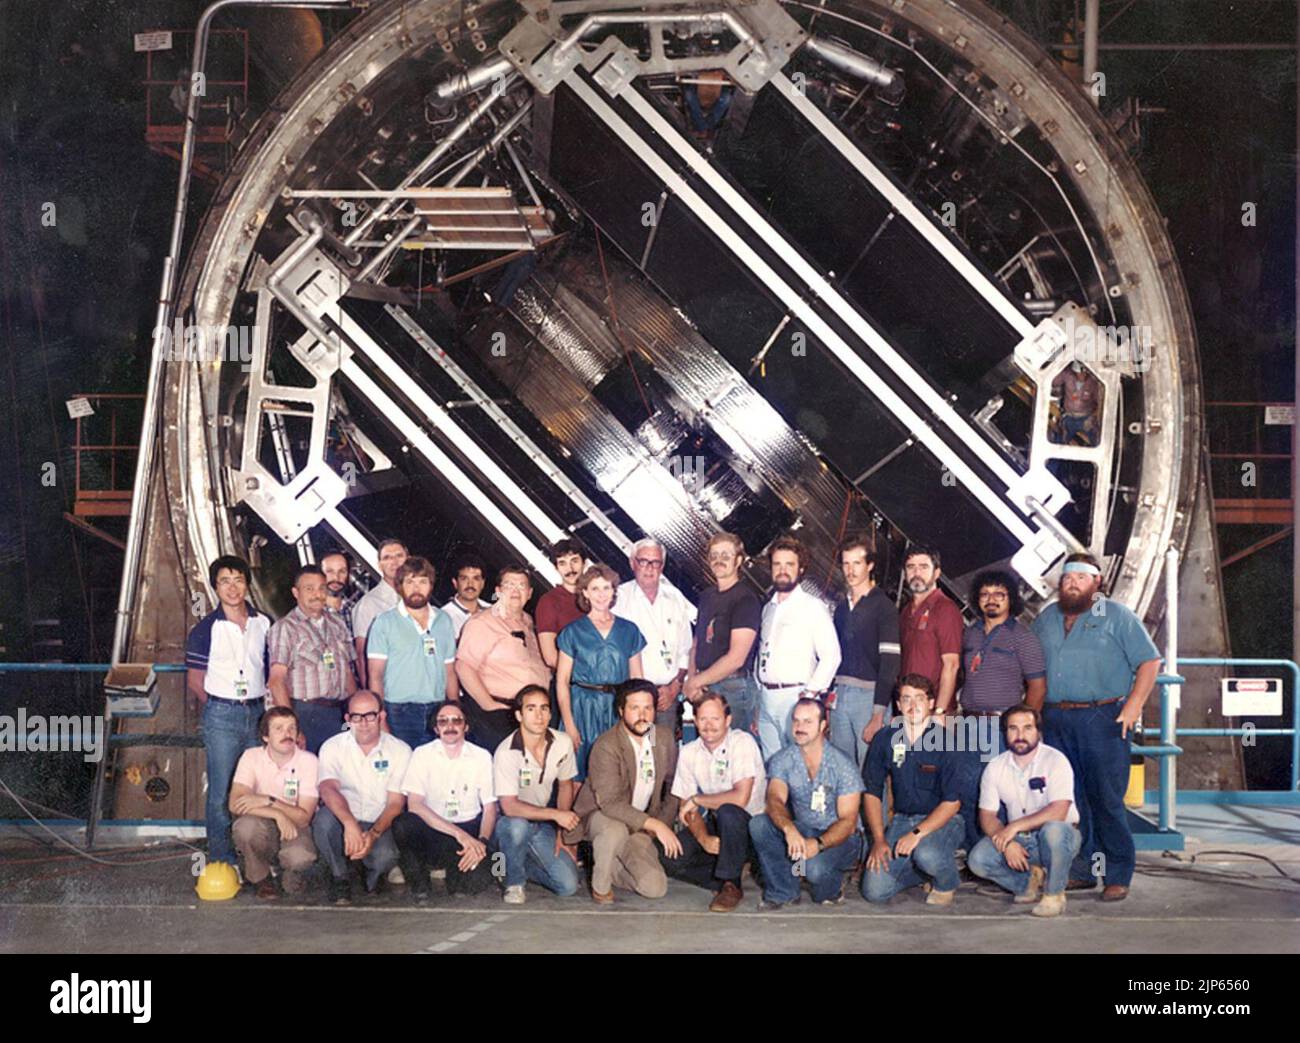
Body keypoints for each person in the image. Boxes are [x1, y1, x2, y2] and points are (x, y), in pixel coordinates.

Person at [1031, 553, 1160, 902]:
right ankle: (1085, 870)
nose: (1073, 583)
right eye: (1068, 577)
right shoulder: (1046, 620)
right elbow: (1031, 670)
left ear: (1096, 582)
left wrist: (1133, 706)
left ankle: (1117, 873)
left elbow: (1149, 661)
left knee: (1106, 799)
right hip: (1057, 719)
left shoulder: (1114, 616)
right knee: (1074, 801)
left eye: (1081, 577)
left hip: (1102, 719)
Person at [185, 555, 272, 869]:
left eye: (238, 580)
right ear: (215, 587)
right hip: (222, 715)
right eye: (224, 581)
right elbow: (196, 682)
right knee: (221, 792)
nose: (232, 588)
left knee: (258, 787)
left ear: (247, 584)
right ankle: (223, 860)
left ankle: (258, 860)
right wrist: (223, 708)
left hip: (258, 713)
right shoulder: (205, 629)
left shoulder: (264, 623)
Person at [565, 680, 680, 903]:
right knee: (614, 831)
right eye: (634, 708)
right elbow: (610, 803)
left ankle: (611, 864)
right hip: (601, 816)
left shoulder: (661, 737)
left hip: (641, 825)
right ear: (621, 711)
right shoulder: (607, 745)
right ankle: (600, 885)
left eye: (648, 708)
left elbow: (672, 785)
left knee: (655, 888)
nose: (642, 715)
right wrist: (653, 824)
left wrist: (658, 825)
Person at [967, 704, 1082, 918]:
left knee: (1054, 830)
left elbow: (1059, 811)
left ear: (1038, 731)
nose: (1020, 735)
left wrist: (1014, 827)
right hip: (1020, 840)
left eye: (1027, 728)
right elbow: (987, 815)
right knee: (978, 859)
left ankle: (1054, 895)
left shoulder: (1056, 760)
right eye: (1013, 729)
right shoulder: (995, 767)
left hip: (1059, 838)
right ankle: (1026, 882)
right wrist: (1008, 842)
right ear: (1005, 733)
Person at [862, 674, 966, 906]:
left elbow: (952, 803)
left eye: (919, 698)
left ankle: (947, 881)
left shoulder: (947, 741)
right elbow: (871, 791)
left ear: (931, 704)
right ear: (898, 706)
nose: (913, 705)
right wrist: (879, 839)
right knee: (875, 891)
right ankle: (923, 872)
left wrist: (917, 835)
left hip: (944, 821)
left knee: (926, 854)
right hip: (902, 820)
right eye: (906, 699)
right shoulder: (884, 738)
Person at [749, 697, 862, 909]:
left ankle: (832, 885)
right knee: (760, 825)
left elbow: (848, 822)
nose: (800, 727)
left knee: (814, 870)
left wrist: (818, 844)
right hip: (803, 829)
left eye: (808, 722)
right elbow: (774, 799)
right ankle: (783, 891)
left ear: (822, 725)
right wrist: (789, 828)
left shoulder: (842, 765)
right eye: (796, 721)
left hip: (840, 838)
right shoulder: (783, 759)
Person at [661, 690, 765, 912]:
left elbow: (740, 798)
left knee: (728, 811)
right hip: (718, 825)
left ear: (728, 720)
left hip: (752, 828)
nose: (709, 725)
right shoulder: (689, 752)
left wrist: (698, 799)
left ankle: (731, 885)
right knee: (668, 857)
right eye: (703, 719)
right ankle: (728, 872)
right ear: (695, 720)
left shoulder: (742, 742)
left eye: (715, 718)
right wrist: (703, 837)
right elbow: (686, 809)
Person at [313, 690, 412, 904]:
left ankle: (372, 874)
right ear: (347, 719)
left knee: (385, 856)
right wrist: (350, 824)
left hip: (379, 821)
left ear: (381, 716)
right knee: (323, 821)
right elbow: (328, 789)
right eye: (356, 717)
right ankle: (339, 877)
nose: (364, 723)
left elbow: (396, 804)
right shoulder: (332, 747)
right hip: (345, 817)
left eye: (370, 715)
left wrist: (373, 835)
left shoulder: (400, 750)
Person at [393, 701, 497, 899]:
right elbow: (414, 805)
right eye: (443, 721)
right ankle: (420, 885)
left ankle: (454, 871)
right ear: (435, 728)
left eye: (456, 721)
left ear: (466, 726)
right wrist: (459, 835)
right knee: (403, 823)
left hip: (469, 831)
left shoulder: (482, 756)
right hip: (434, 830)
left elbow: (490, 808)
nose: (450, 727)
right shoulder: (422, 754)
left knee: (472, 885)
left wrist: (480, 843)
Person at [555, 564, 646, 780]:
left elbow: (638, 680)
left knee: (618, 773)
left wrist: (638, 718)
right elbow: (562, 681)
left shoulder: (629, 630)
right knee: (577, 775)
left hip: (618, 709)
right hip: (583, 708)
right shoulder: (572, 632)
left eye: (606, 588)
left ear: (614, 591)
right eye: (594, 588)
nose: (601, 594)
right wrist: (569, 723)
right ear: (585, 592)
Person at [492, 684, 581, 903]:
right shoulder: (506, 752)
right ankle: (510, 880)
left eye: (544, 708)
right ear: (519, 715)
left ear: (551, 713)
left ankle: (517, 864)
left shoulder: (563, 742)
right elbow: (509, 807)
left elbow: (566, 786)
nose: (539, 715)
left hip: (541, 824)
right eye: (531, 709)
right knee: (516, 825)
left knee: (568, 886)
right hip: (507, 824)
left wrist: (562, 831)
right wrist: (555, 815)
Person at [754, 535, 840, 760]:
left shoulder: (813, 607)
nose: (782, 570)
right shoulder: (768, 609)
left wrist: (810, 695)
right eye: (777, 564)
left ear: (801, 568)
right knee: (773, 768)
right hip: (766, 700)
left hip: (795, 699)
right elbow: (762, 652)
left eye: (789, 564)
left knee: (800, 767)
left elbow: (832, 656)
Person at [366, 557, 458, 751]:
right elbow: (375, 676)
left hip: (438, 710)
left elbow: (450, 671)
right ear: (400, 586)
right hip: (399, 712)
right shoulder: (384, 622)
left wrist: (455, 710)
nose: (416, 588)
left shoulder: (444, 620)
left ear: (431, 585)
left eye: (423, 581)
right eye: (410, 581)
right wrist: (380, 717)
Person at [457, 564, 551, 752]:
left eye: (522, 586)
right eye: (509, 585)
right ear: (498, 591)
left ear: (530, 593)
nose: (516, 591)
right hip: (500, 715)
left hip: (533, 714)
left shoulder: (529, 621)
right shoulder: (482, 622)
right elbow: (464, 666)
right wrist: (488, 704)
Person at [228, 706, 319, 900]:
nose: (287, 734)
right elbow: (235, 804)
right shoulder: (251, 757)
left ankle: (289, 872)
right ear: (265, 736)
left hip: (295, 826)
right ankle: (262, 878)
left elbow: (304, 818)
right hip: (263, 821)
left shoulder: (309, 761)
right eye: (278, 728)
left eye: (291, 728)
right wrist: (276, 813)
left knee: (299, 858)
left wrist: (270, 800)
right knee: (245, 828)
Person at [267, 565, 357, 754]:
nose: (317, 594)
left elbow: (347, 673)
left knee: (337, 776)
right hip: (304, 713)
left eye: (322, 588)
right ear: (295, 592)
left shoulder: (337, 624)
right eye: (309, 589)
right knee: (307, 776)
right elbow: (276, 680)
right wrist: (292, 727)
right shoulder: (286, 628)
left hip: (338, 714)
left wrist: (354, 713)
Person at [831, 533, 900, 765]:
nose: (850, 571)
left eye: (857, 564)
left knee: (870, 773)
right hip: (840, 696)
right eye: (846, 564)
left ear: (870, 565)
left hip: (869, 698)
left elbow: (890, 664)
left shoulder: (884, 606)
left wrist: (878, 713)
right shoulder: (841, 608)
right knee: (842, 770)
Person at [613, 537, 695, 733]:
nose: (649, 568)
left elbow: (686, 649)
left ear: (662, 566)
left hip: (666, 697)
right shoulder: (618, 598)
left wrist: (675, 686)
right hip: (632, 699)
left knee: (664, 756)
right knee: (634, 757)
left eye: (655, 562)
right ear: (633, 563)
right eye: (643, 561)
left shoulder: (674, 597)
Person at [684, 532, 761, 735]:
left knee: (734, 753)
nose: (719, 560)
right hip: (706, 685)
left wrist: (697, 682)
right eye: (714, 555)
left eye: (726, 556)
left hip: (733, 689)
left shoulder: (746, 599)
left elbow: (736, 658)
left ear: (738, 560)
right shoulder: (707, 596)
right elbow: (697, 643)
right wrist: (692, 678)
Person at [898, 547, 963, 715]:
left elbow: (952, 664)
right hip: (910, 708)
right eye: (911, 567)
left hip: (934, 710)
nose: (916, 572)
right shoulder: (906, 611)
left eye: (924, 567)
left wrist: (939, 712)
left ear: (937, 573)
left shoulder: (945, 609)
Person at [351, 539, 408, 685]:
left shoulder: (418, 598)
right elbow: (361, 655)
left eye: (399, 556)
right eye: (387, 558)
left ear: (408, 559)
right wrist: (373, 699)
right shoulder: (368, 604)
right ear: (379, 565)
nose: (394, 562)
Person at [535, 539, 587, 670]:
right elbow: (550, 657)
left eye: (574, 561)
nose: (569, 569)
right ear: (556, 568)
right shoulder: (549, 601)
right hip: (575, 682)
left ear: (584, 563)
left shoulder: (597, 596)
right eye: (562, 563)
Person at [442, 551, 491, 640]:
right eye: (464, 578)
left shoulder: (492, 611)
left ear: (483, 583)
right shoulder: (444, 616)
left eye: (476, 578)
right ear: (455, 583)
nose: (470, 584)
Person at [1052, 362, 1101, 446]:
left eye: (1084, 373)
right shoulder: (1067, 376)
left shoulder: (1093, 382)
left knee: (1096, 440)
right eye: (1079, 373)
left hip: (1086, 419)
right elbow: (1053, 382)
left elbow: (1100, 404)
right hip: (1069, 417)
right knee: (1059, 441)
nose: (1082, 375)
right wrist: (1063, 367)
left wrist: (1092, 418)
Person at [320, 549, 363, 644]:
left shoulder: (357, 610)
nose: (336, 577)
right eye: (329, 571)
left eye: (342, 571)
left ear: (348, 575)